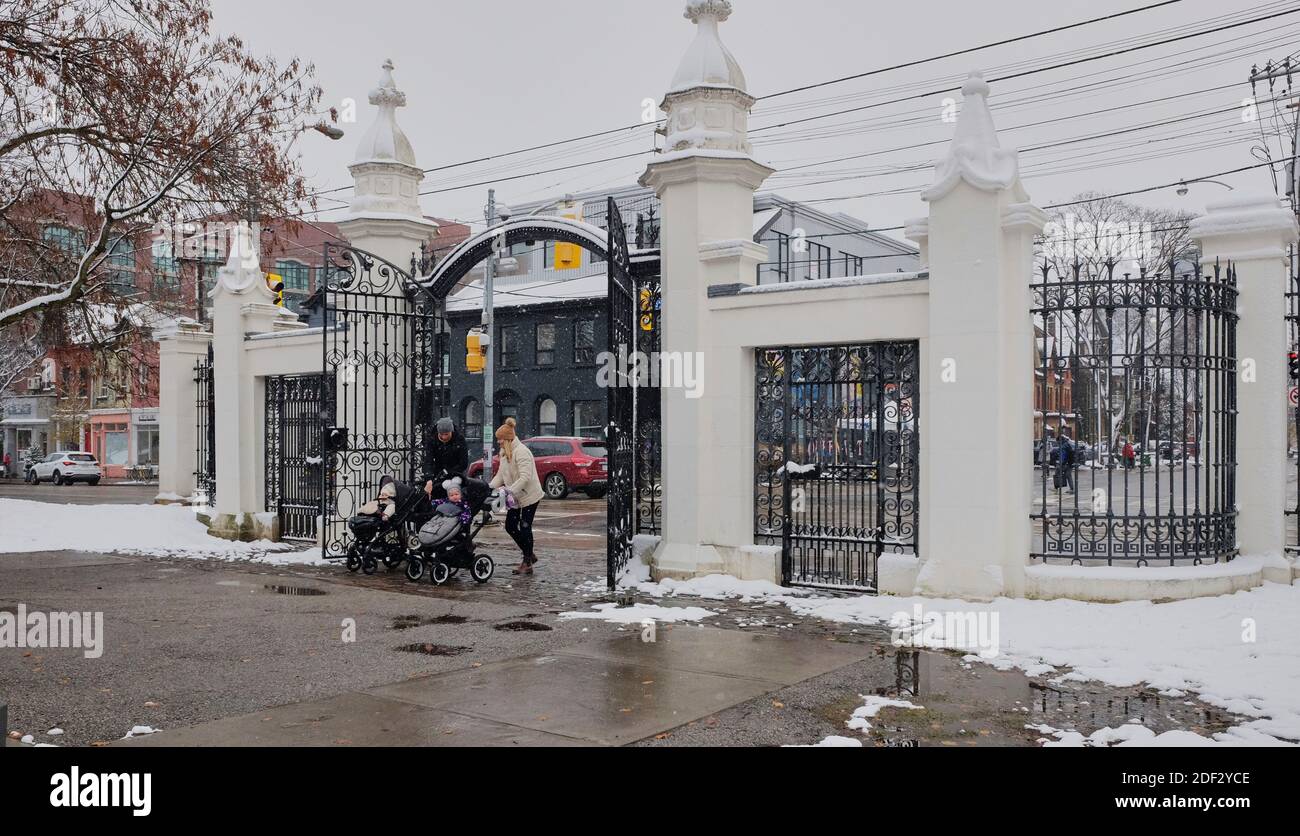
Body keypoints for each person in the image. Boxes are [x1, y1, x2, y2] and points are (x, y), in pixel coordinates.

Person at [488, 417, 544, 575]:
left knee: (525, 526)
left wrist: (509, 491)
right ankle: (529, 553)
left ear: (506, 439)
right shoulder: (505, 452)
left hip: (529, 496)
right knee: (510, 526)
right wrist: (489, 487)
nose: (498, 442)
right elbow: (501, 474)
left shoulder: (522, 452)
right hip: (514, 496)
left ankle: (527, 562)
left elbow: (525, 477)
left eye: (499, 439)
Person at [429, 417, 469, 484]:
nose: (444, 437)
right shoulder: (432, 440)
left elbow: (463, 463)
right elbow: (428, 460)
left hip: (456, 474)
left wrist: (448, 472)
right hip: (437, 474)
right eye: (441, 434)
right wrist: (429, 478)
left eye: (446, 434)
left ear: (451, 431)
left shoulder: (459, 440)